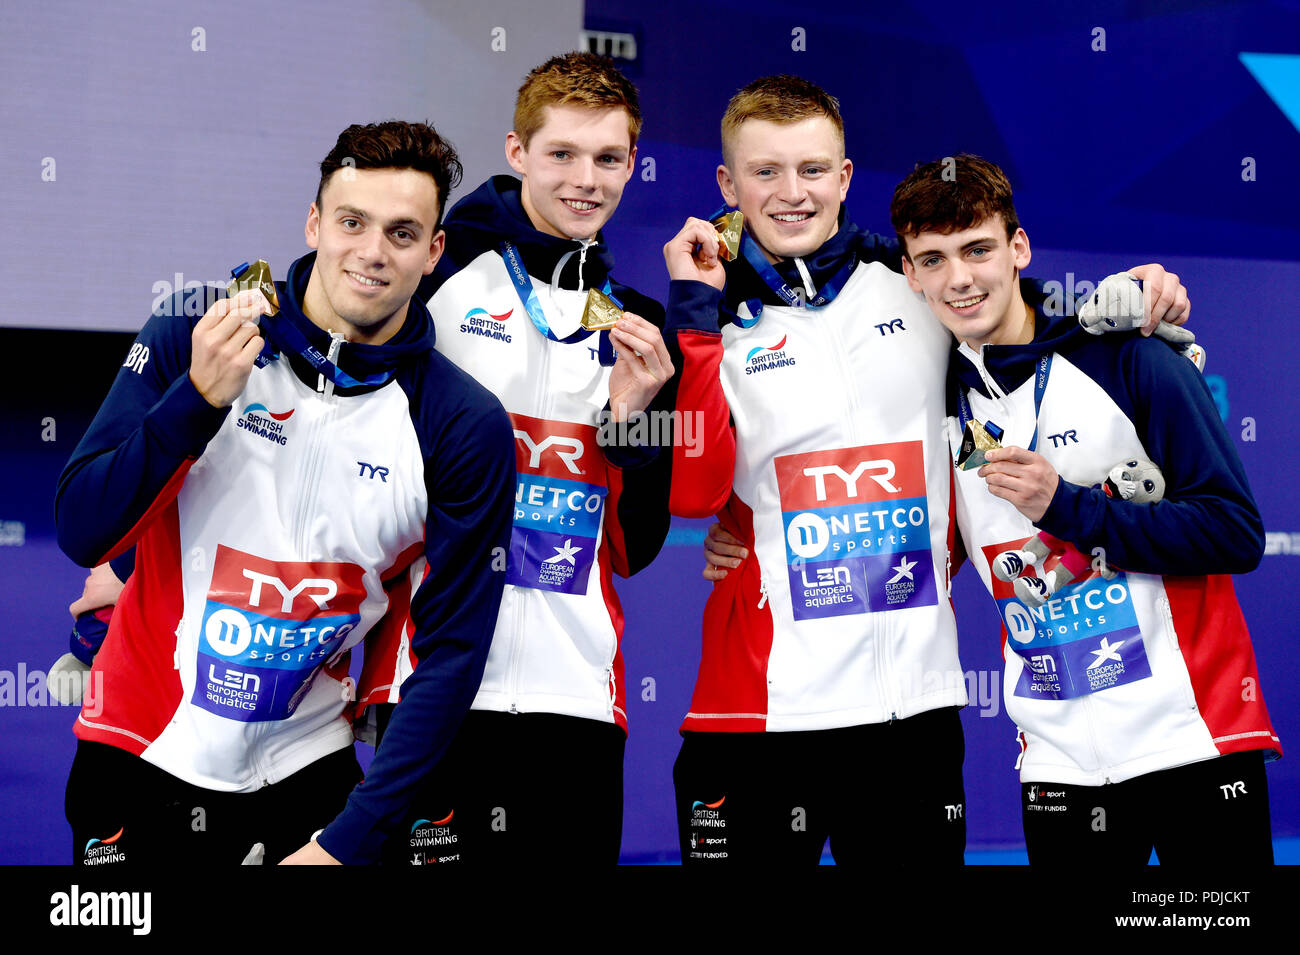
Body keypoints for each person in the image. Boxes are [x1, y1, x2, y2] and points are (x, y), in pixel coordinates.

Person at [665, 75, 1189, 865]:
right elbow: (690, 493)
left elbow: (1018, 319)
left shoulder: (912, 288)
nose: (791, 193)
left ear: (845, 177)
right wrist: (694, 322)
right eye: (765, 172)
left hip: (913, 715)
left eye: (812, 169)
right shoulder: (705, 306)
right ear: (726, 184)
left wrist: (1143, 296)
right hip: (760, 712)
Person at [54, 120, 516, 866]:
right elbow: (83, 525)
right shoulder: (195, 330)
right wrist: (198, 400)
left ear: (433, 252)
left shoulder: (463, 423)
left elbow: (453, 653)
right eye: (352, 222)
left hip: (307, 783)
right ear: (313, 222)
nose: (371, 253)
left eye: (402, 233)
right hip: (137, 759)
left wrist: (347, 843)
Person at [889, 153, 1279, 865]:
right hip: (1058, 769)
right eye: (933, 259)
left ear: (1019, 248)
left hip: (1193, 744)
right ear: (910, 275)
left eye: (978, 248)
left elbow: (1235, 530)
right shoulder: (931, 400)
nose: (960, 278)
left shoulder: (1129, 359)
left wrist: (1067, 507)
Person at [364, 52, 675, 865]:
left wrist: (629, 428)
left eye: (609, 158)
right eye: (562, 154)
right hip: (432, 687)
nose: (586, 179)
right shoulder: (440, 276)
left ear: (632, 165)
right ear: (517, 151)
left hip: (576, 704)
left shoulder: (640, 326)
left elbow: (636, 543)